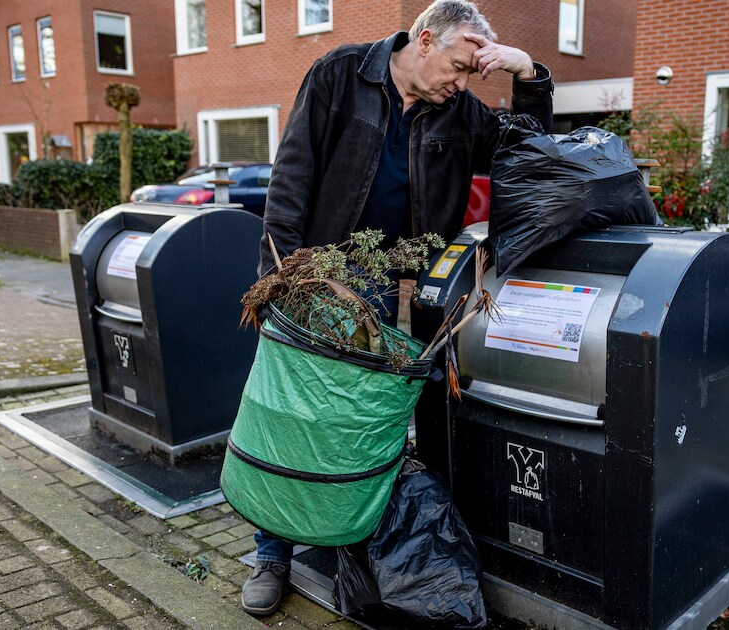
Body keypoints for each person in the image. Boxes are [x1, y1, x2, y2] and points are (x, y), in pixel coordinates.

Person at [242, 0, 553, 616]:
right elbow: (294, 172)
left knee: (355, 421)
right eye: (459, 67)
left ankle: (341, 534)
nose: (462, 84)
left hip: (384, 286)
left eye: (472, 75)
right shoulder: (340, 74)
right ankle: (270, 554)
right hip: (316, 277)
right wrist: (282, 275)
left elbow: (527, 155)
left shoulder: (459, 113)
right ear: (423, 38)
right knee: (290, 413)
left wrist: (528, 75)